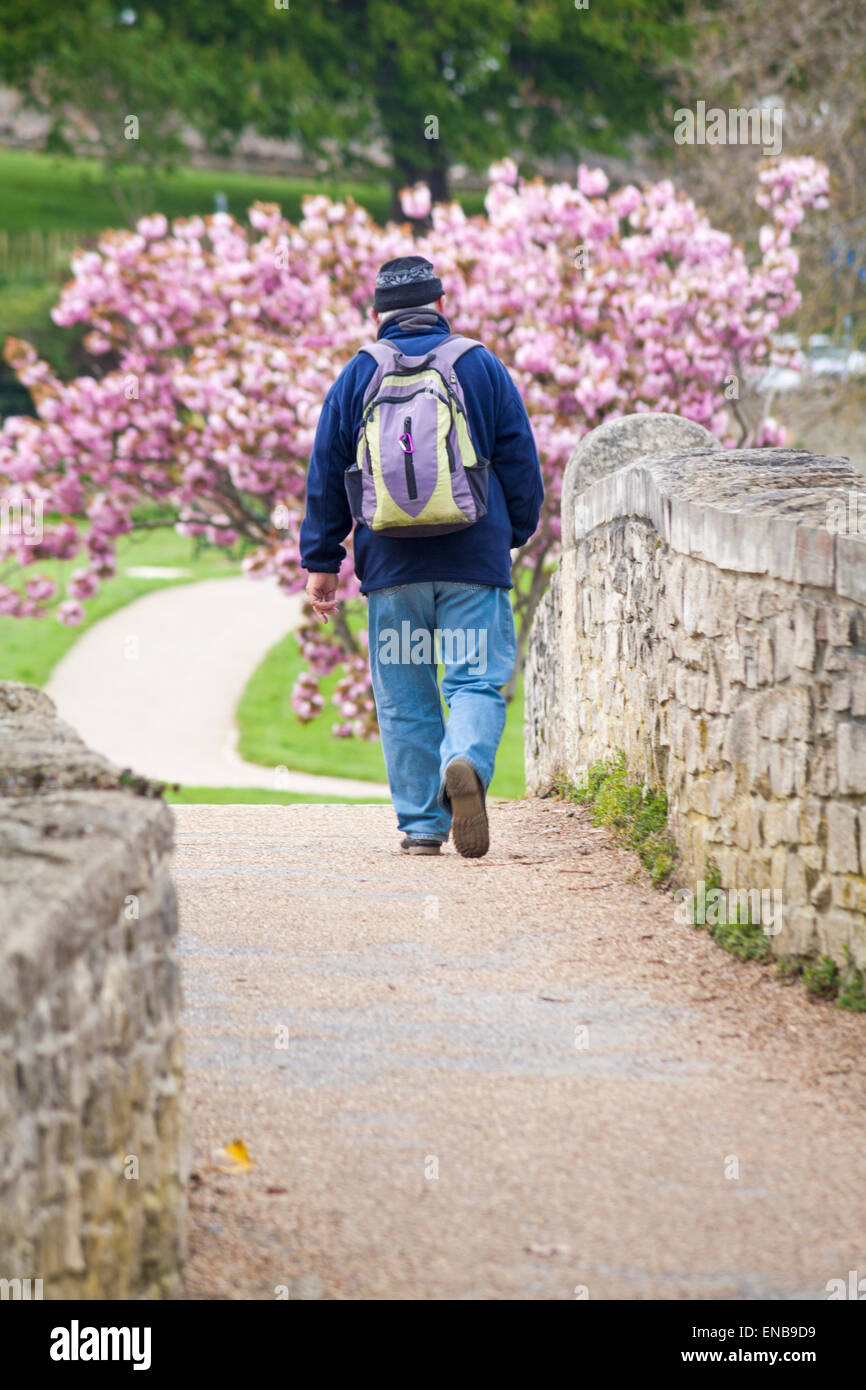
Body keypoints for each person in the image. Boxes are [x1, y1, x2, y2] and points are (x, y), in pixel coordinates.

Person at [300, 255, 543, 858]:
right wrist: (509, 535)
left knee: (405, 695)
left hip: (391, 569)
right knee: (476, 681)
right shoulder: (480, 365)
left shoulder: (358, 374)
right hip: (472, 563)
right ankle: (463, 759)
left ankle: (422, 827)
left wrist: (322, 562)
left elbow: (327, 472)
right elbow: (520, 461)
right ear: (440, 305)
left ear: (378, 314)